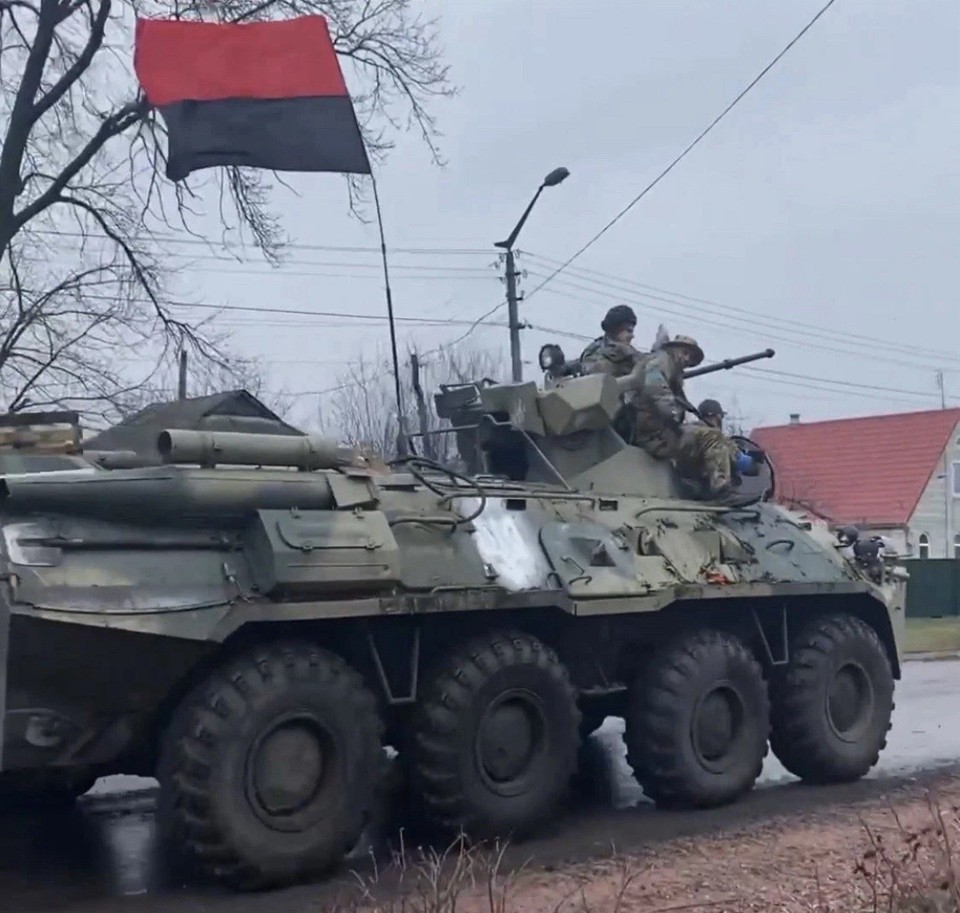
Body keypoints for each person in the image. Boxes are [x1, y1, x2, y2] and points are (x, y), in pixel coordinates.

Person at [631, 335, 739, 499]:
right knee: (712, 437)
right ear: (673, 349)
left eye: (691, 357)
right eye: (685, 353)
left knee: (712, 436)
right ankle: (719, 485)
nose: (687, 359)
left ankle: (707, 481)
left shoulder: (672, 370)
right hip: (655, 436)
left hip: (662, 432)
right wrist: (675, 417)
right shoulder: (660, 362)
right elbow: (656, 390)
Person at [579, 305, 642, 378]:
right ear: (616, 329)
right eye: (629, 330)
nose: (632, 336)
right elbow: (596, 375)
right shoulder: (595, 352)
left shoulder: (630, 352)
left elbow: (647, 365)